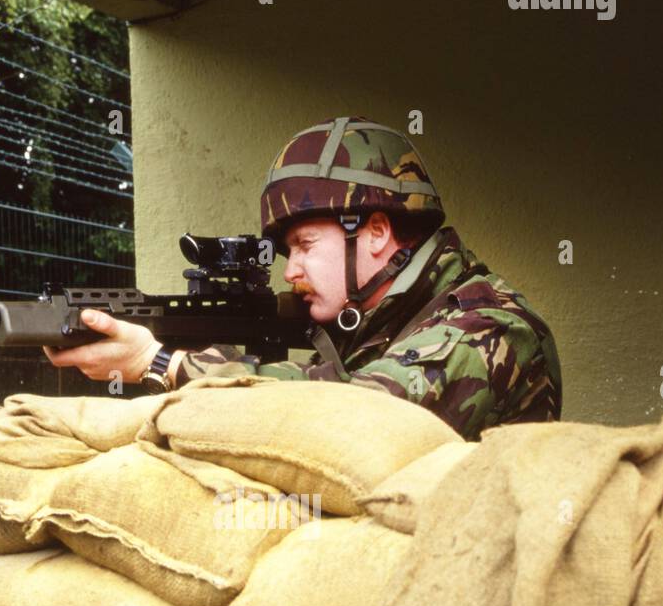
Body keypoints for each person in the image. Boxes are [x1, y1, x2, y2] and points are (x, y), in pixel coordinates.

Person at [44, 116, 562, 440]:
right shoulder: (371, 326)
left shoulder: (491, 325)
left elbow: (356, 417)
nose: (290, 270)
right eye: (286, 251)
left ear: (376, 232)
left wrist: (161, 363)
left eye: (305, 247)